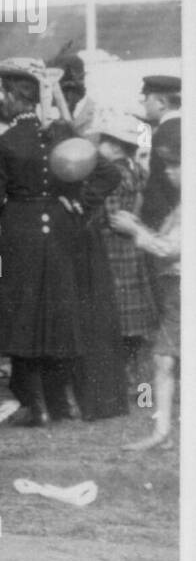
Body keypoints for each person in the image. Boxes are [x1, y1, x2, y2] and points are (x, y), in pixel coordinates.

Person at [0, 58, 98, 426]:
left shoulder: (1, 143)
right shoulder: (61, 133)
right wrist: (77, 203)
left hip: (19, 230)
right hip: (60, 231)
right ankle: (61, 405)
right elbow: (94, 172)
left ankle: (36, 407)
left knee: (22, 316)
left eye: (2, 93)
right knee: (57, 315)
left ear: (12, 99)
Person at [110, 127, 180, 451]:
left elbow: (168, 249)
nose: (167, 172)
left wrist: (132, 228)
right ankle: (161, 430)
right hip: (173, 290)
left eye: (174, 166)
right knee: (161, 358)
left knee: (161, 357)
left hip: (180, 289)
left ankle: (161, 431)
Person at [89, 112, 156, 387]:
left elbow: (112, 216)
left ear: (115, 145)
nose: (98, 146)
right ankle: (132, 377)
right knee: (132, 316)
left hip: (112, 246)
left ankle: (119, 375)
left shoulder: (110, 174)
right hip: (131, 248)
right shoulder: (135, 170)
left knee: (115, 311)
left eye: (103, 141)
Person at [138, 74, 180, 229]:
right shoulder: (180, 127)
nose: (143, 104)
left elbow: (163, 184)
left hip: (161, 221)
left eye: (146, 98)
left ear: (161, 103)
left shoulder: (163, 133)